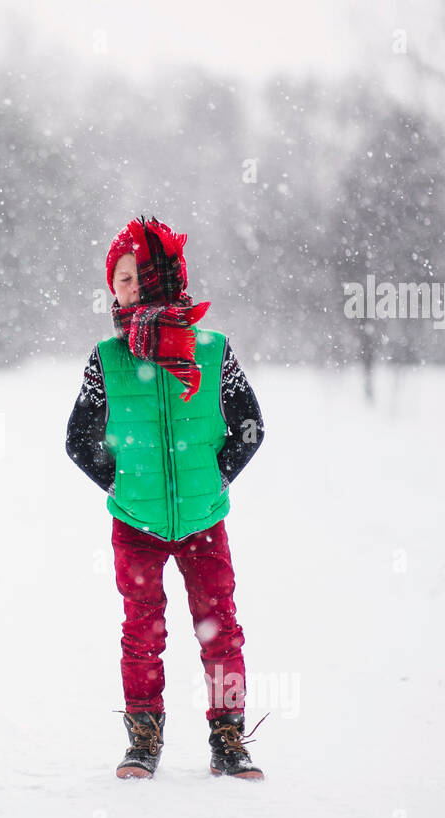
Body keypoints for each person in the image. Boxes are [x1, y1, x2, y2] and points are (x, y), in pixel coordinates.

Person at [65, 215, 269, 780]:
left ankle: (229, 740)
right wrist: (124, 485)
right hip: (137, 524)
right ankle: (143, 739)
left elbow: (250, 424)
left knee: (220, 629)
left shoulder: (212, 351)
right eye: (121, 280)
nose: (130, 288)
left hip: (205, 521)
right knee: (142, 632)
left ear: (166, 276)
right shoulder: (107, 359)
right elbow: (77, 440)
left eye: (139, 276)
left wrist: (214, 477)